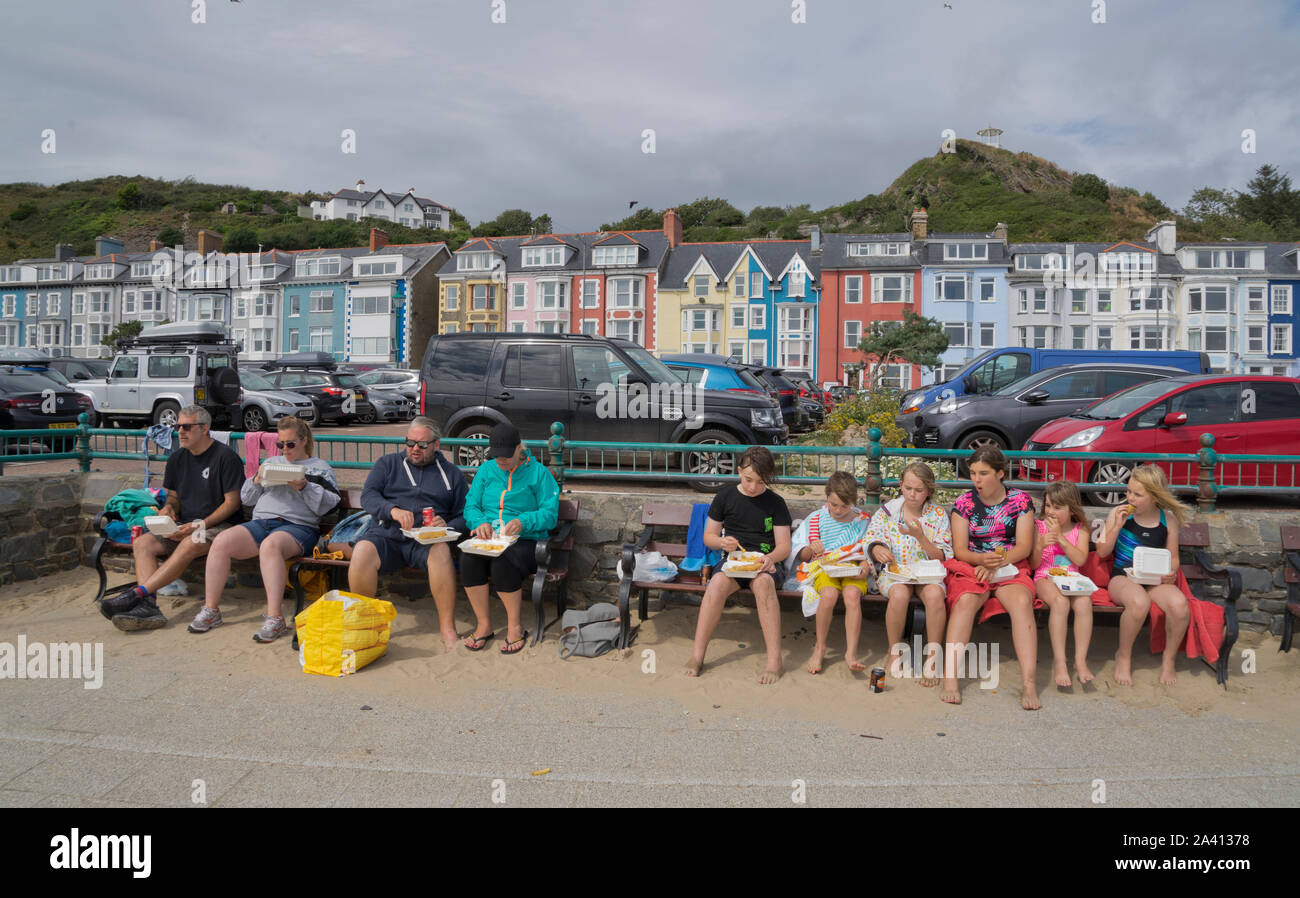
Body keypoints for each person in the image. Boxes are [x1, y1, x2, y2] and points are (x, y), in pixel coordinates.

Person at [187, 417, 339, 642]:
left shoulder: (320, 468)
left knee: (270, 546)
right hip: (262, 521)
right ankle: (211, 609)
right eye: (280, 444)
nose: (284, 449)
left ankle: (275, 617)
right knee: (221, 541)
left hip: (299, 526)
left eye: (290, 444)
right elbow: (246, 499)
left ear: (304, 440)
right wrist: (257, 479)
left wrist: (305, 486)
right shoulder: (271, 463)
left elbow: (330, 505)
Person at [100, 406, 243, 631]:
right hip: (183, 523)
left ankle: (137, 594)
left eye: (187, 427)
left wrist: (200, 524)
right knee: (143, 543)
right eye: (177, 427)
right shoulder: (177, 458)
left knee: (190, 542)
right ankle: (149, 607)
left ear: (205, 428)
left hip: (220, 526)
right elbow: (173, 496)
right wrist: (167, 508)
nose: (180, 432)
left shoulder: (226, 457)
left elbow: (232, 502)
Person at [350, 417, 468, 652]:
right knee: (362, 550)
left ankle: (447, 629)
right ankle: (364, 625)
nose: (415, 449)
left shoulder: (452, 473)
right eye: (410, 442)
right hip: (388, 534)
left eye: (422, 445)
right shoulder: (388, 464)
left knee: (442, 552)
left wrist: (447, 525)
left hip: (427, 541)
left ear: (436, 445)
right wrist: (391, 510)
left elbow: (465, 514)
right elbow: (369, 496)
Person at [683, 446, 792, 685]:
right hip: (733, 564)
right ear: (739, 471)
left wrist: (771, 558)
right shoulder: (725, 497)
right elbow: (708, 537)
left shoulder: (775, 502)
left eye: (760, 482)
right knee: (717, 583)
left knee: (763, 584)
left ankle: (774, 661)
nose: (753, 487)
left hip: (765, 563)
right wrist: (722, 541)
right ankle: (697, 655)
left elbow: (784, 545)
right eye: (749, 479)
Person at [942, 446, 1040, 709]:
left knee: (1021, 603)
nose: (976, 479)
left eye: (983, 473)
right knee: (964, 601)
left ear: (1000, 473)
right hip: (973, 564)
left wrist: (995, 562)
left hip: (1009, 564)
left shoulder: (1020, 501)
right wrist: (982, 561)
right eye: (973, 473)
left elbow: (1023, 547)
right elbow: (960, 549)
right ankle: (950, 678)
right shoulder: (964, 503)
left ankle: (1029, 683)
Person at [461, 421, 559, 655]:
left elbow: (550, 514)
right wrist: (479, 522)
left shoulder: (539, 473)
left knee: (504, 561)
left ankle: (515, 626)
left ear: (519, 448)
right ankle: (484, 624)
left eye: (506, 455)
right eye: (496, 455)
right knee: (468, 559)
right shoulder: (486, 470)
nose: (501, 460)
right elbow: (471, 505)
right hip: (491, 538)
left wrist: (524, 521)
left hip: (526, 541)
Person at [1094, 464, 1191, 686]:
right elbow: (1102, 551)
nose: (1130, 498)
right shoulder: (1119, 514)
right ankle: (1124, 656)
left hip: (1154, 579)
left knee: (1179, 605)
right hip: (1122, 577)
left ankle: (1169, 659)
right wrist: (1116, 526)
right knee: (1139, 602)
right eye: (1129, 491)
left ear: (1155, 496)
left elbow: (1173, 556)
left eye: (1138, 494)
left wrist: (1171, 572)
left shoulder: (1168, 520)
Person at [865, 462, 953, 687]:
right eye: (908, 488)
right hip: (896, 571)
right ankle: (894, 650)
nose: (912, 495)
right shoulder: (888, 511)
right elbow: (871, 537)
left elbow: (943, 556)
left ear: (929, 491)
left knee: (934, 596)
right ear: (901, 485)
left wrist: (920, 537)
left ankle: (933, 657)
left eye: (919, 490)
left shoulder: (938, 515)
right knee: (900, 595)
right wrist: (877, 548)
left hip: (927, 572)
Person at [790, 471, 871, 674]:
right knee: (828, 595)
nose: (838, 510)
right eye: (834, 504)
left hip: (851, 567)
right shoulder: (816, 519)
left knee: (852, 596)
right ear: (827, 496)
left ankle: (851, 653)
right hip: (824, 567)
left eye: (845, 506)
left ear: (854, 501)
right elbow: (803, 555)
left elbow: (866, 551)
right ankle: (820, 647)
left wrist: (864, 569)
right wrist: (811, 548)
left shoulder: (861, 521)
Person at [1030, 480, 1093, 687]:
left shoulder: (1080, 529)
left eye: (1057, 507)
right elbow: (1033, 564)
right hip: (1045, 576)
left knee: (1084, 603)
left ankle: (1080, 661)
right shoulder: (1038, 527)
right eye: (1048, 505)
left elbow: (1080, 560)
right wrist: (1040, 546)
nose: (1051, 511)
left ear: (1071, 508)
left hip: (1072, 578)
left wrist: (1061, 540)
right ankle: (1060, 663)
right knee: (1060, 603)